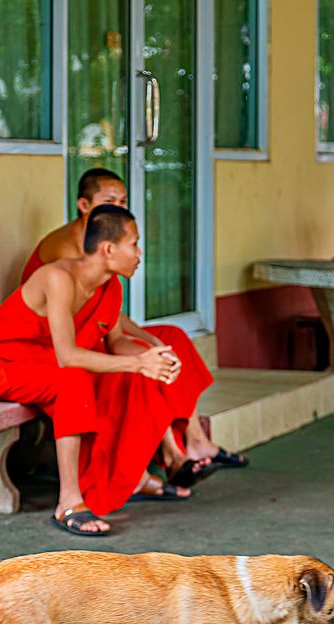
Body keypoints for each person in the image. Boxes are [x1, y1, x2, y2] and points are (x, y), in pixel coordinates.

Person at [0, 205, 189, 536]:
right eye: (135, 243)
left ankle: (128, 476)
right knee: (74, 379)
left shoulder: (110, 286)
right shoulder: (58, 278)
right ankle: (68, 502)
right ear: (109, 249)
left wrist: (151, 357)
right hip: (2, 367)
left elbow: (116, 344)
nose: (139, 253)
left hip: (45, 366)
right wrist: (138, 363)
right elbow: (68, 357)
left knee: (127, 379)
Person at [21, 167, 248, 487]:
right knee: (140, 363)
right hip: (58, 342)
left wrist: (149, 337)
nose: (120, 206)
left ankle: (196, 440)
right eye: (109, 200)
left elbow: (107, 310)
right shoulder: (68, 250)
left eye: (123, 200)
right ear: (84, 206)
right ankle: (172, 454)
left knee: (173, 339)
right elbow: (83, 322)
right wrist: (142, 348)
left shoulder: (107, 243)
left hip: (94, 333)